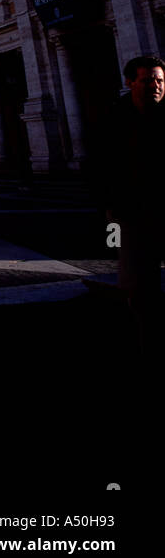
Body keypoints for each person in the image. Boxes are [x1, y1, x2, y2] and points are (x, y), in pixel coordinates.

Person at [98, 55, 164, 349]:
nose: (155, 86)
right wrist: (112, 207)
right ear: (130, 82)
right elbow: (102, 167)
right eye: (148, 80)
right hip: (134, 215)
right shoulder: (115, 118)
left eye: (160, 80)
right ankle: (147, 340)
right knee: (138, 286)